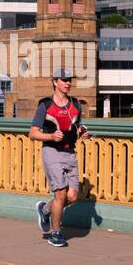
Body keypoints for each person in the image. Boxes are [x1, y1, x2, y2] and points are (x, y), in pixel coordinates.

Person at [28, 68, 90, 248]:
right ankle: (55, 234)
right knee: (60, 193)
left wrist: (83, 133)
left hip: (70, 152)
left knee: (71, 197)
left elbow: (76, 127)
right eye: (64, 80)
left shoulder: (76, 104)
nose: (68, 83)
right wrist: (50, 137)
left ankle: (45, 210)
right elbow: (32, 133)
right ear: (55, 81)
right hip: (52, 152)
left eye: (69, 80)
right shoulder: (45, 105)